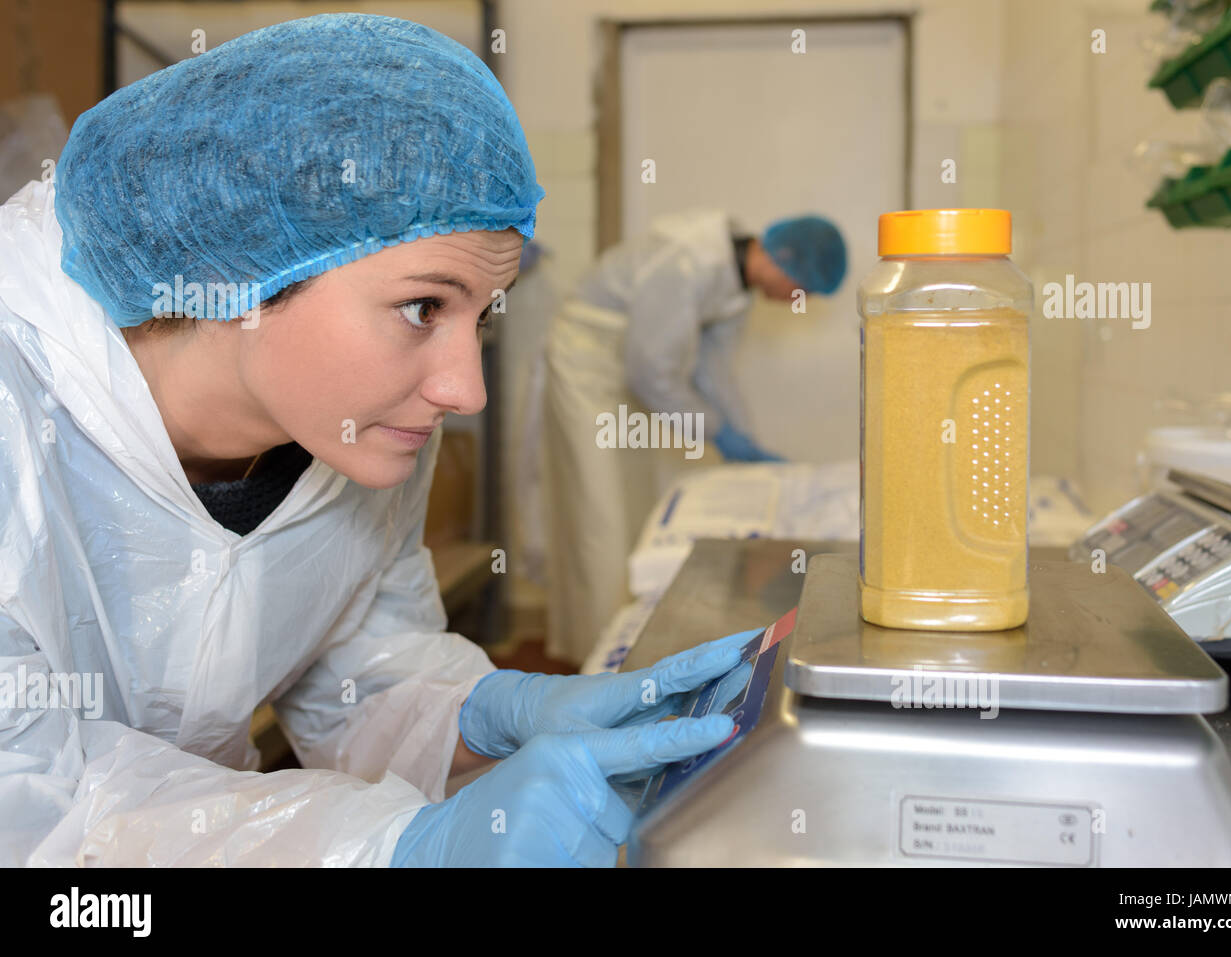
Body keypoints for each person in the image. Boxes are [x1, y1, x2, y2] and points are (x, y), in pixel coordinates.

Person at [0, 13, 758, 868]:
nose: (464, 389)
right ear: (247, 265)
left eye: (481, 317)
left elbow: (353, 670)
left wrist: (479, 716)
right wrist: (397, 849)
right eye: (424, 307)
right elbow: (30, 814)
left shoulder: (361, 427)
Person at [542, 209, 847, 664]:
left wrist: (745, 441)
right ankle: (593, 658)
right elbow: (652, 372)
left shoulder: (737, 286)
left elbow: (714, 373)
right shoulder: (689, 262)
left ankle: (617, 634)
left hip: (626, 375)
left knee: (629, 507)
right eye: (801, 290)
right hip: (587, 366)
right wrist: (717, 435)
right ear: (784, 260)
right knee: (600, 514)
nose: (794, 300)